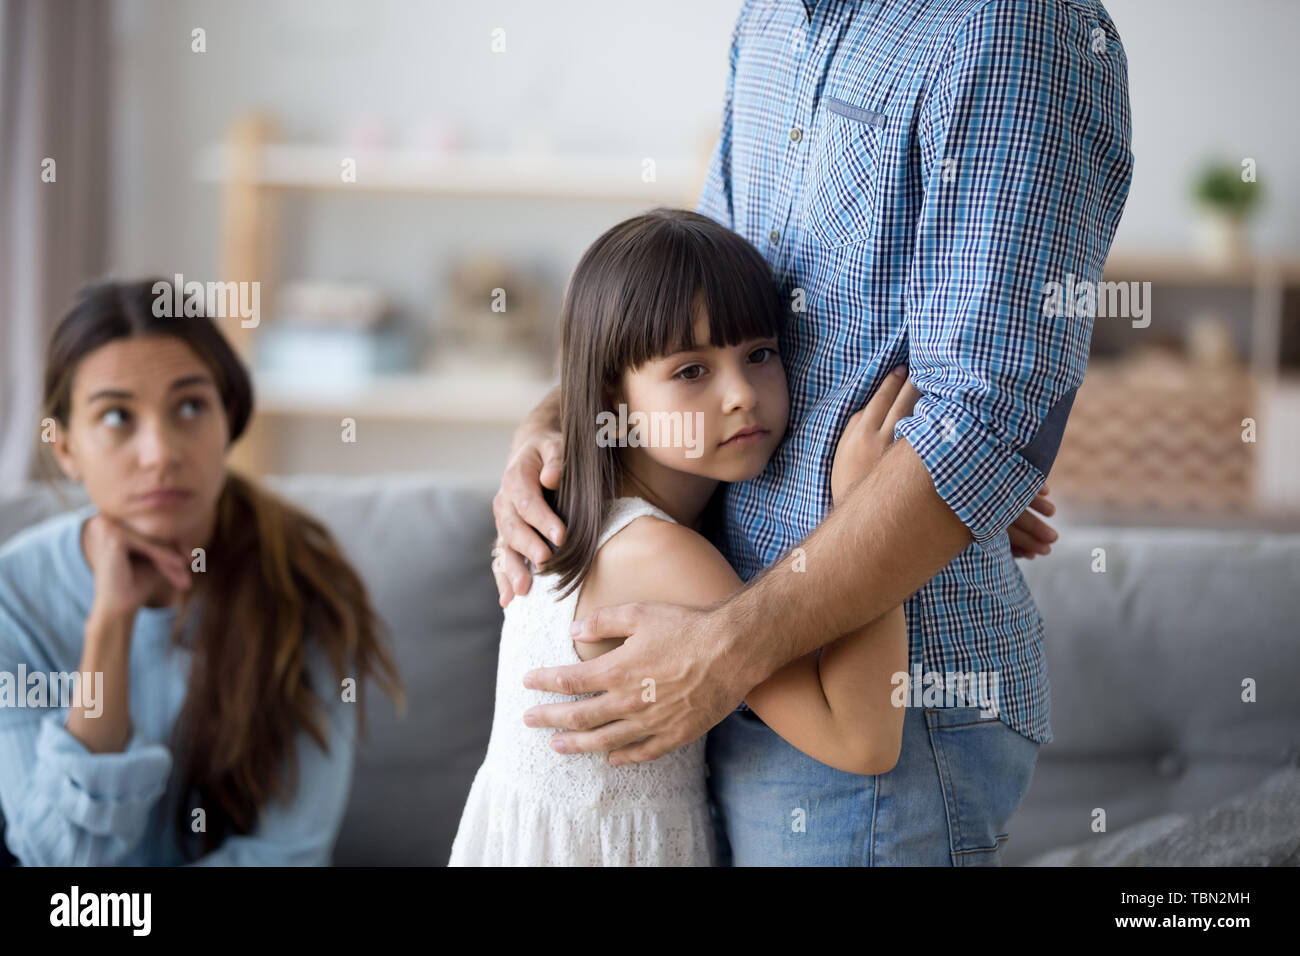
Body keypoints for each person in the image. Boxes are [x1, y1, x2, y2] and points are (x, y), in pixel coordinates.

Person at [492, 0, 1132, 865]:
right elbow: (689, 304)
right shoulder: (769, 24)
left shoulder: (1011, 25)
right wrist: (547, 430)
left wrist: (920, 495)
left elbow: (983, 422)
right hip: (740, 676)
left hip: (878, 706)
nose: (740, 397)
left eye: (758, 362)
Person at [0, 278, 404, 865]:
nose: (160, 452)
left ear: (229, 419)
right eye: (116, 416)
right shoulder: (12, 596)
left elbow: (287, 854)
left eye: (190, 407)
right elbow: (60, 859)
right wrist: (110, 624)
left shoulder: (307, 584)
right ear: (64, 448)